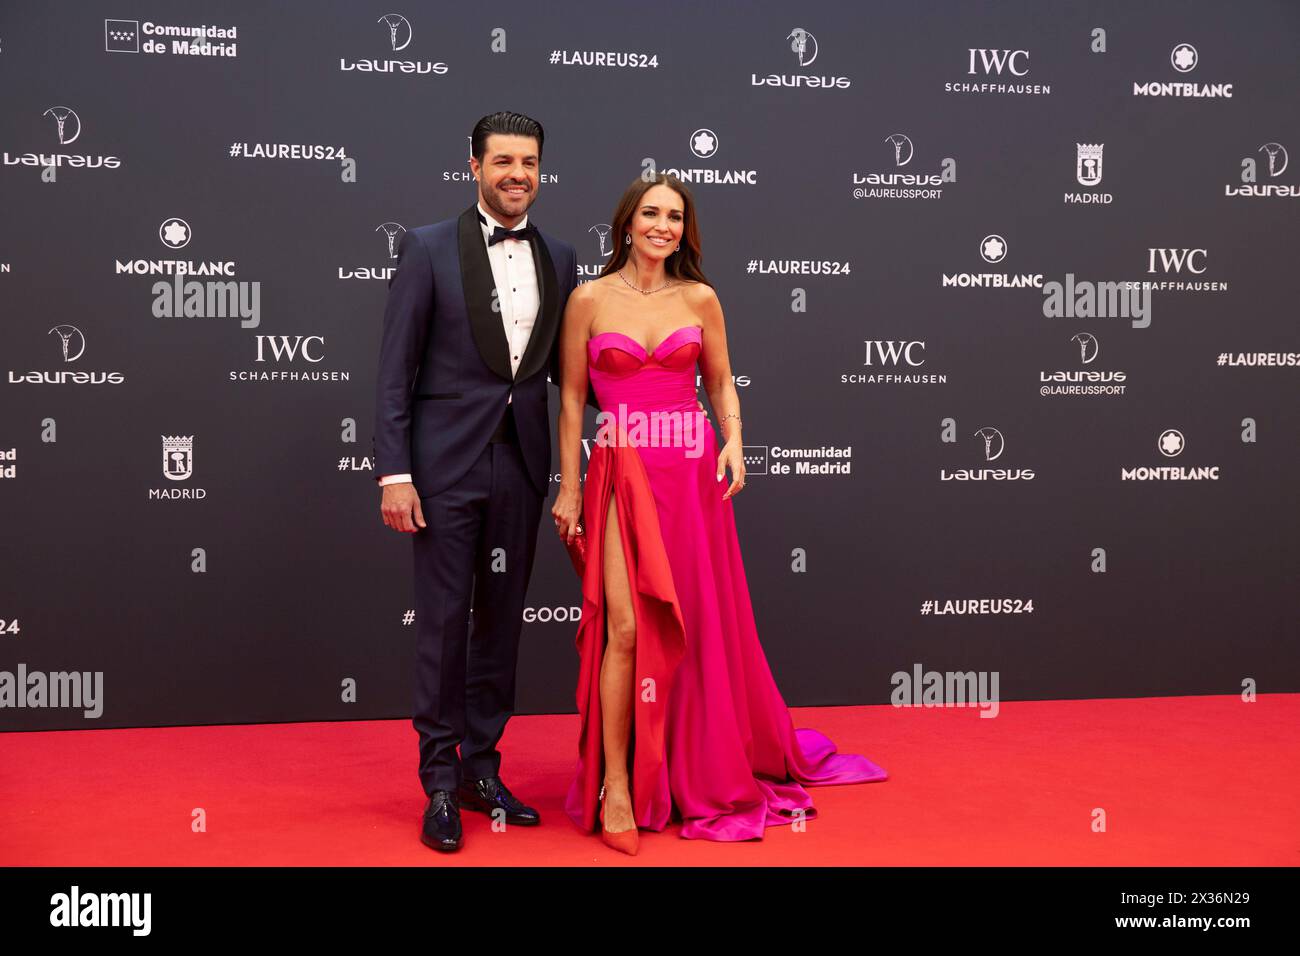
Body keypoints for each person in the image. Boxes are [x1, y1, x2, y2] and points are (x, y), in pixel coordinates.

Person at [551, 172, 887, 853]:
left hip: (690, 472)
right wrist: (569, 487)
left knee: (697, 623)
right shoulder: (588, 299)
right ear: (627, 223)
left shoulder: (700, 297)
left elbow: (722, 382)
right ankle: (618, 784)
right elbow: (571, 401)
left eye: (675, 217)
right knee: (625, 627)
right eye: (651, 213)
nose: (662, 226)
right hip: (619, 471)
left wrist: (733, 439)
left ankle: (692, 764)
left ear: (685, 231)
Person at [373, 111, 596, 852]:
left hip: (521, 467)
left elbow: (572, 374)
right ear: (473, 166)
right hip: (443, 468)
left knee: (500, 624)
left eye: (528, 163)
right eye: (502, 161)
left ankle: (480, 769)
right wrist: (395, 473)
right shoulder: (428, 247)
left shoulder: (561, 256)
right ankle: (439, 781)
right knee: (443, 623)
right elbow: (395, 372)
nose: (516, 175)